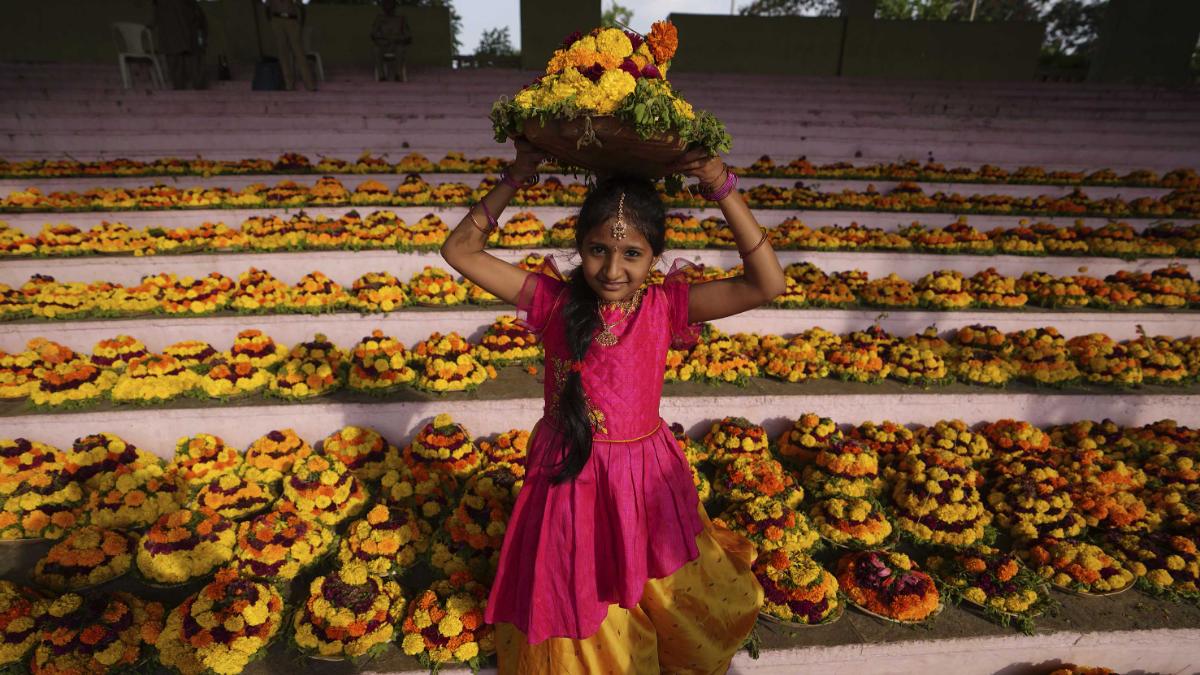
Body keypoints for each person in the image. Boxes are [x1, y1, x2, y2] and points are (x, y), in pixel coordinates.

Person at [440, 139, 785, 673]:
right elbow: (459, 252)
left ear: (654, 257)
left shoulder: (666, 306)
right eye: (599, 249)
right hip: (568, 472)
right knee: (575, 589)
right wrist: (516, 175)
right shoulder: (554, 302)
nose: (613, 269)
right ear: (580, 247)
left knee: (654, 580)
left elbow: (768, 283)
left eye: (632, 254)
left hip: (642, 472)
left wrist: (722, 186)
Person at [153, 0, 206, 89]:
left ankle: (186, 88)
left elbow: (199, 19)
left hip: (182, 35)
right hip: (181, 35)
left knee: (183, 62)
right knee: (185, 62)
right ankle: (189, 88)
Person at [264, 0, 316, 91]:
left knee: (298, 52)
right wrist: (271, 19)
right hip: (276, 18)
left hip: (291, 19)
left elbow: (302, 5)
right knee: (282, 52)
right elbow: (267, 4)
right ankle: (289, 84)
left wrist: (299, 23)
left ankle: (310, 85)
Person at [370, 0, 411, 82]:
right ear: (383, 7)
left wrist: (398, 39)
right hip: (384, 44)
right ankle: (381, 75)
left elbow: (408, 35)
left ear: (394, 6)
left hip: (396, 44)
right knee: (376, 50)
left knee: (400, 49)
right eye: (386, 4)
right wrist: (383, 39)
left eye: (390, 4)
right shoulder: (379, 18)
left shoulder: (401, 19)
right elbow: (373, 33)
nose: (388, 6)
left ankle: (398, 74)